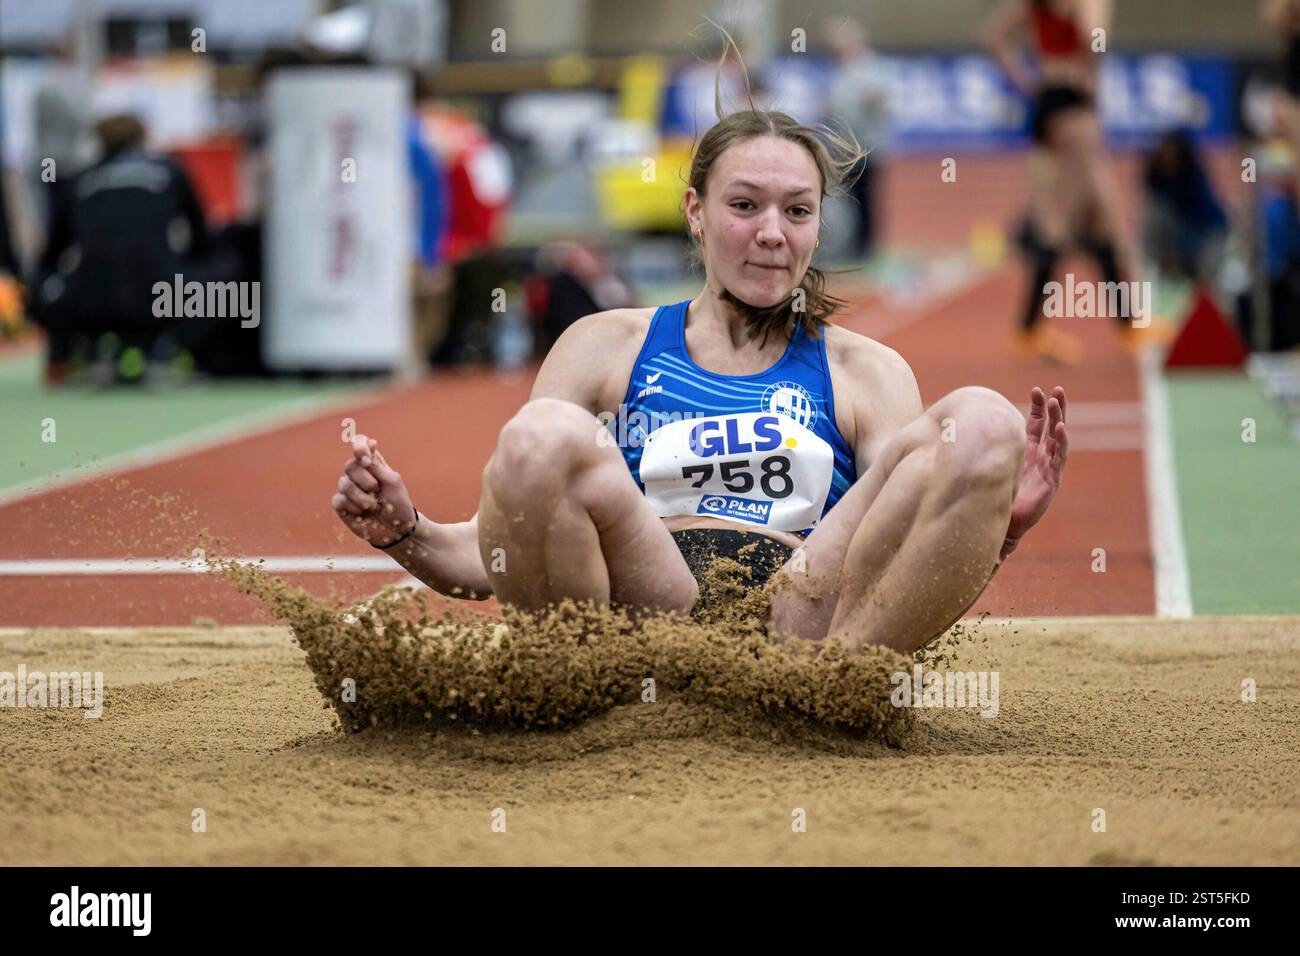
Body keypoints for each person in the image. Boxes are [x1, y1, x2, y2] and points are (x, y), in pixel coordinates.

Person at [330, 51, 1071, 657]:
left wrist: (994, 526)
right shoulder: (603, 346)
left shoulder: (865, 372)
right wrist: (408, 531)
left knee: (982, 422)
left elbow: (895, 561)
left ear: (818, 225)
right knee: (538, 437)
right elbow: (504, 547)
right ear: (696, 212)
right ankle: (576, 692)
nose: (772, 232)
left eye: (797, 210)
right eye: (744, 205)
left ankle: (833, 697)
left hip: (801, 622)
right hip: (647, 624)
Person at [984, 0, 1145, 364]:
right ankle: (1029, 330)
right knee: (1069, 220)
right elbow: (1093, 38)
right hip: (1074, 103)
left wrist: (1026, 83)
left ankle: (1129, 325)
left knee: (1096, 218)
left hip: (1048, 100)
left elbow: (993, 36)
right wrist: (1090, 74)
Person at [826, 17, 892, 261]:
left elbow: (881, 101)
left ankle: (866, 247)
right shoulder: (842, 72)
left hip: (868, 146)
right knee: (847, 197)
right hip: (846, 147)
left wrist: (871, 102)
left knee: (866, 196)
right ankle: (850, 244)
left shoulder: (871, 68)